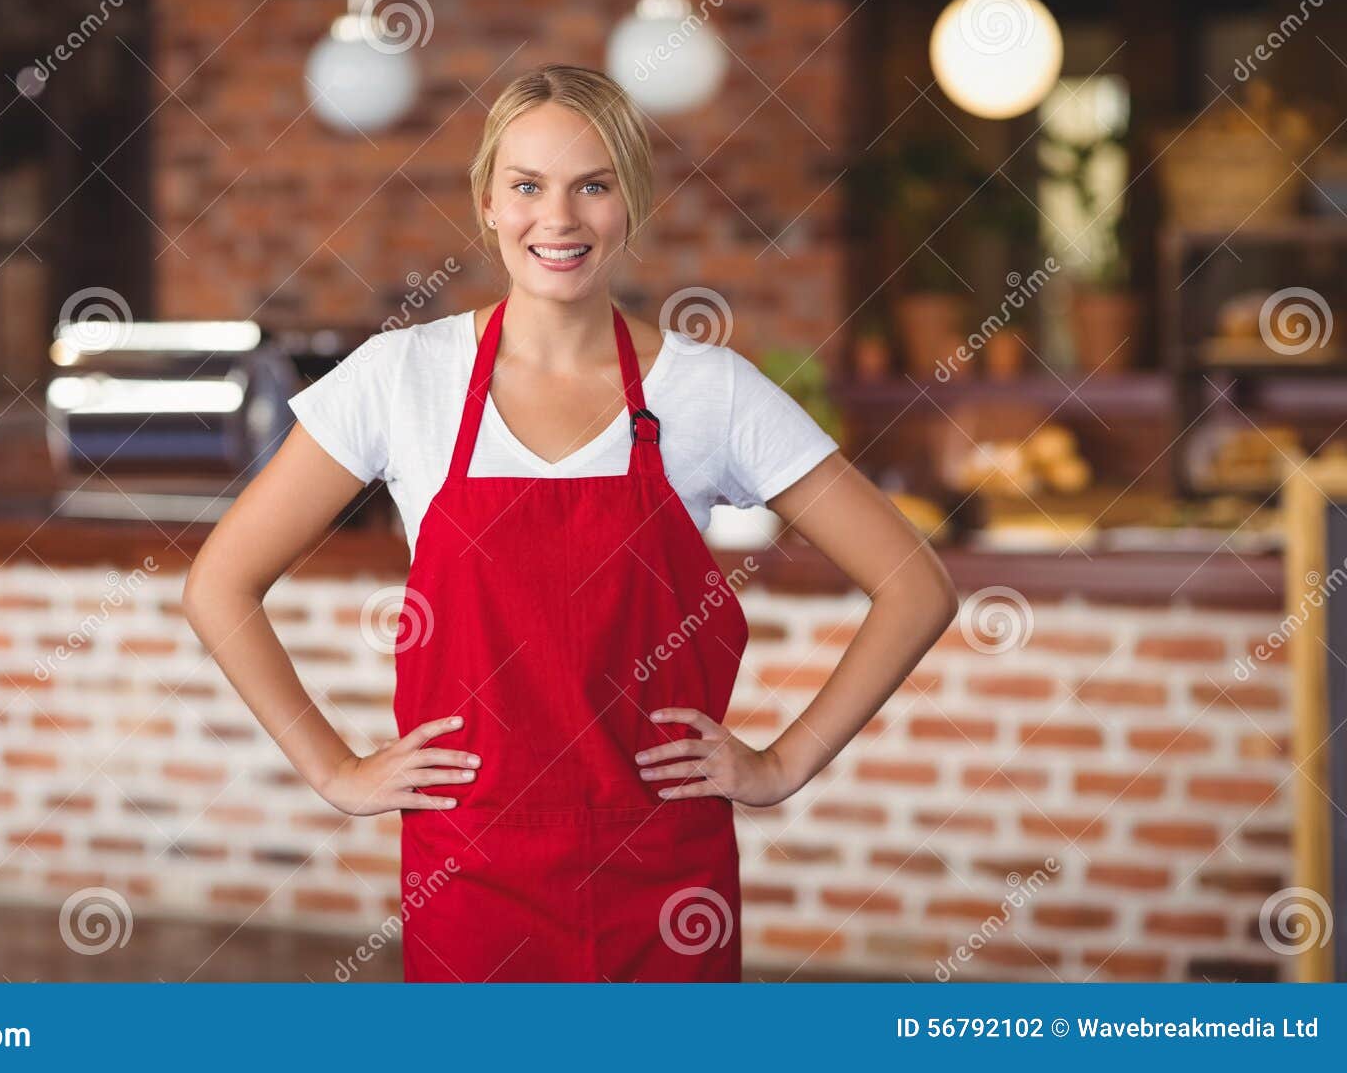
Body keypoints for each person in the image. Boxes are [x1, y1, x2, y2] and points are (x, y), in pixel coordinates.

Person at [183, 62, 958, 982]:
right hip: (471, 873)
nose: (559, 218)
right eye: (527, 185)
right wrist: (335, 770)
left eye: (593, 185)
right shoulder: (401, 378)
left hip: (664, 878)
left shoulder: (707, 390)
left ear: (630, 203)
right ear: (486, 202)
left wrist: (784, 764)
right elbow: (218, 585)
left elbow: (916, 586)